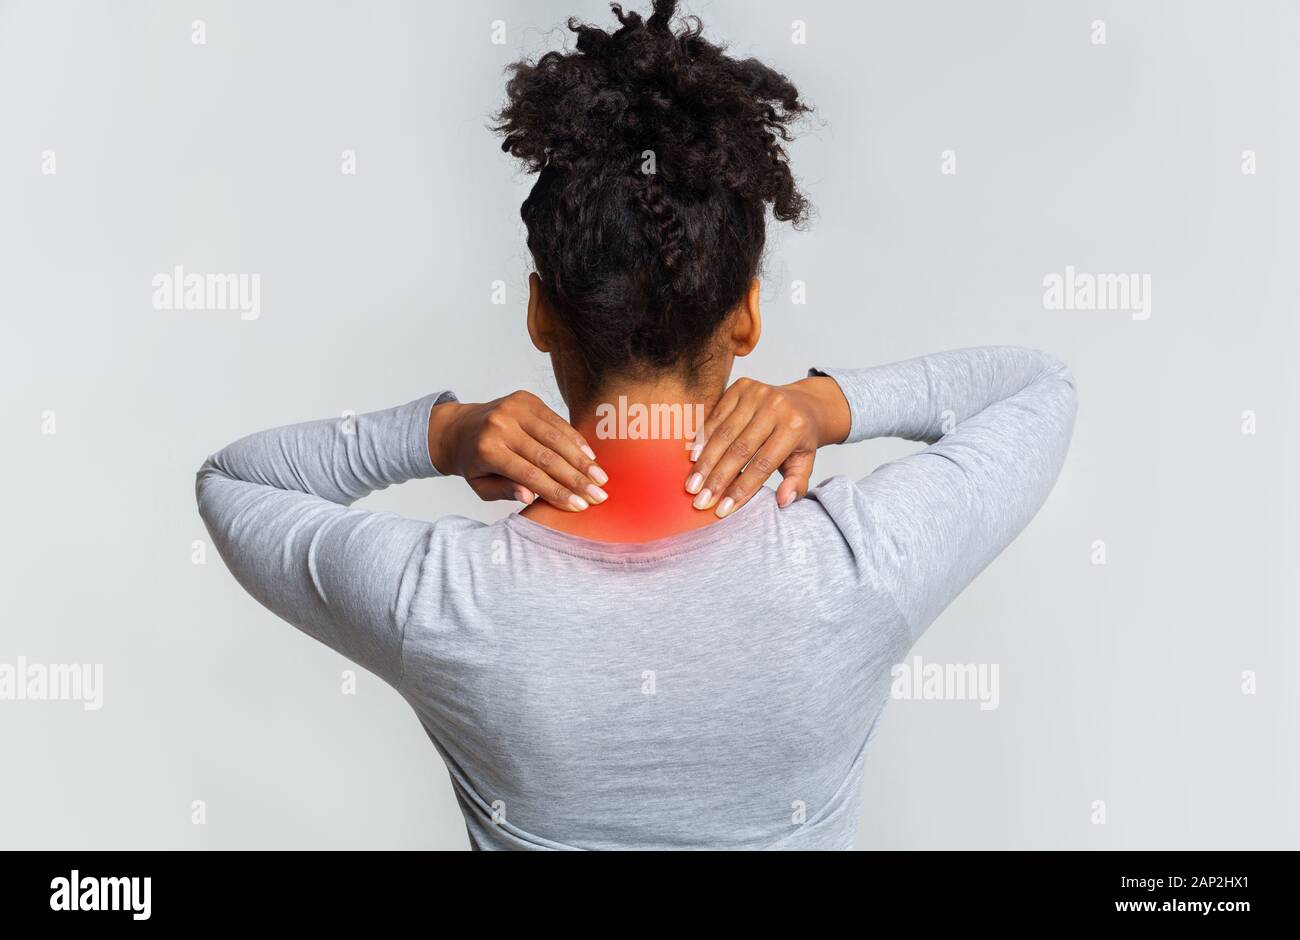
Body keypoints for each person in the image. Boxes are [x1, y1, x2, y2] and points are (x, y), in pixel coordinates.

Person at [195, 0, 1076, 850]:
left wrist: (441, 433)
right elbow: (1041, 389)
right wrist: (828, 405)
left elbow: (232, 483)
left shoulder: (440, 600)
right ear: (747, 316)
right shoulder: (856, 564)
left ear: (541, 314)